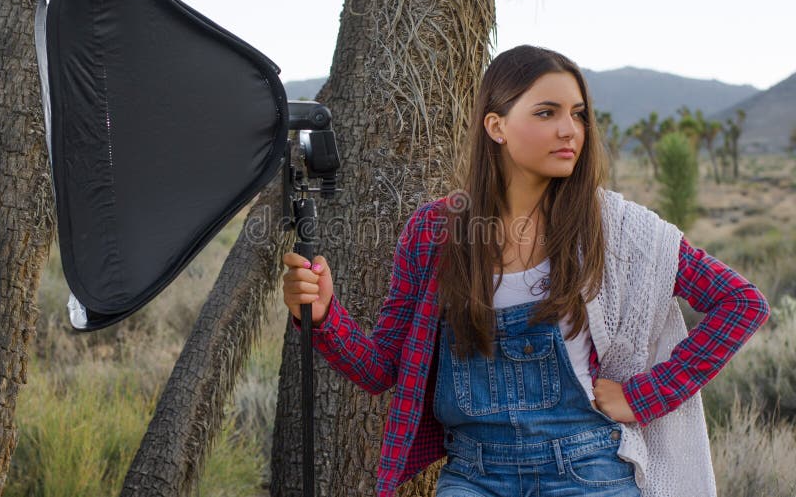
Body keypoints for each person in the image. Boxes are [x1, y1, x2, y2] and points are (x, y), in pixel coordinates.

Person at [281, 45, 770, 497]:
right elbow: (382, 368)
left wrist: (646, 395)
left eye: (578, 115)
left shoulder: (616, 230)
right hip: (474, 475)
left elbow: (742, 303)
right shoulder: (436, 232)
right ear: (496, 126)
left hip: (589, 471)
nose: (570, 130)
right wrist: (323, 316)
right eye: (547, 112)